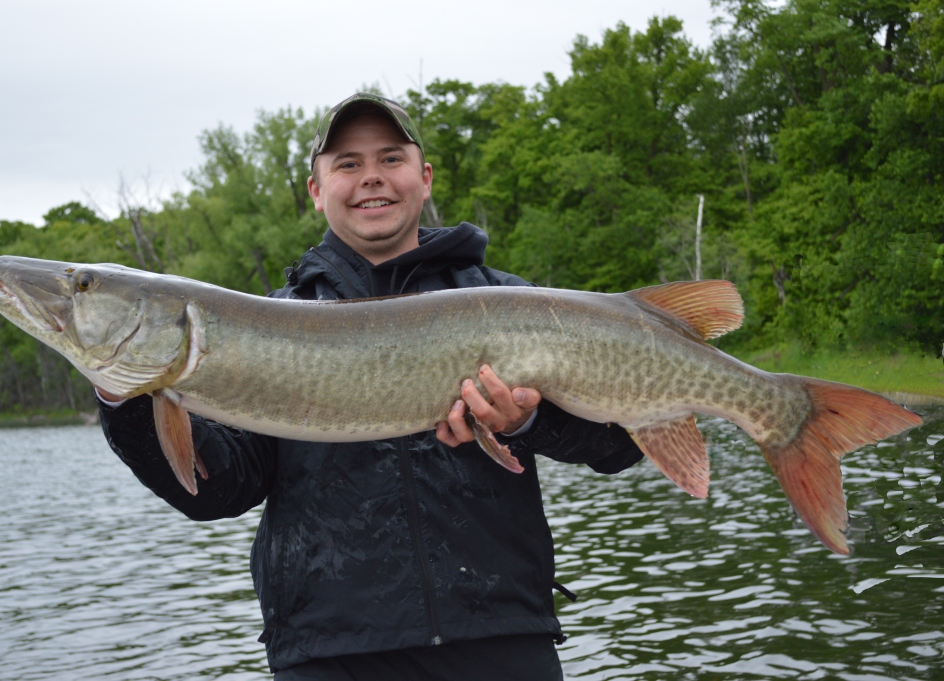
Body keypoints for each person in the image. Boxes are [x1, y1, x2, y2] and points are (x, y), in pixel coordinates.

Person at [95, 93, 643, 680]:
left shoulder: (510, 300)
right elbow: (214, 490)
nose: (371, 179)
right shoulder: (267, 326)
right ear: (316, 189)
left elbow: (620, 444)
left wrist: (528, 422)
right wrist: (119, 395)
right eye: (348, 164)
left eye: (390, 158)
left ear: (424, 178)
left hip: (499, 639)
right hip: (331, 653)